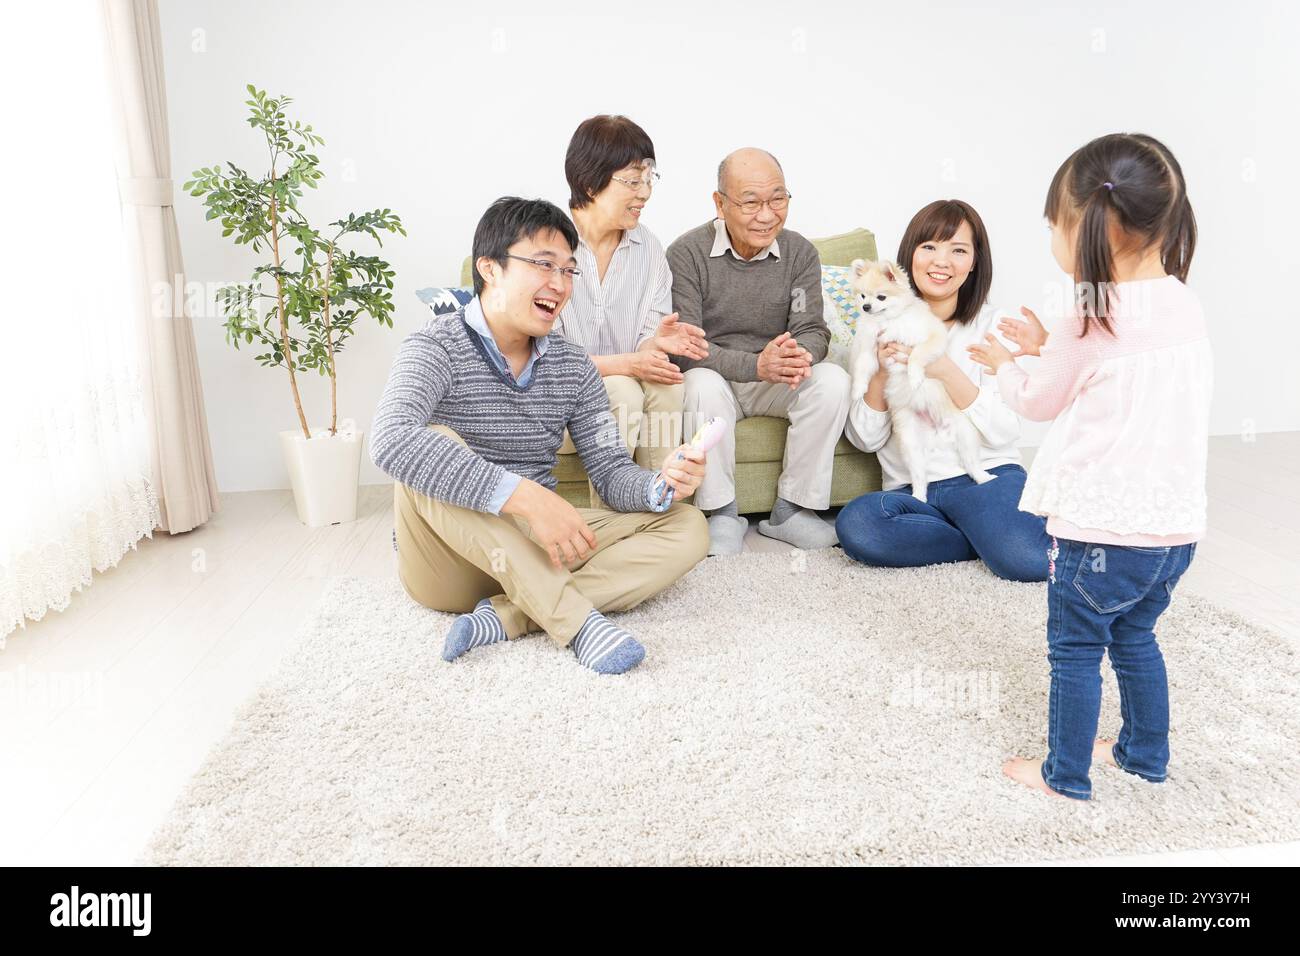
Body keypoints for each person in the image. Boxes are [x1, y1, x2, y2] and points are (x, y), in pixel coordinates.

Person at [370, 197, 710, 675]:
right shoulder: (434, 345)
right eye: (543, 265)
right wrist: (525, 497)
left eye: (570, 271)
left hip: (537, 546)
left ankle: (510, 616)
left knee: (687, 527)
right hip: (448, 565)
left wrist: (662, 485)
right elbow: (389, 439)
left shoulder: (572, 366)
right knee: (431, 443)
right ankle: (578, 623)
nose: (560, 284)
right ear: (490, 269)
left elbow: (611, 474)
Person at [968, 133, 1211, 798]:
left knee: (1075, 651)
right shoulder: (1183, 302)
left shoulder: (1087, 313)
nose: (1052, 237)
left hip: (1099, 533)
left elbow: (1038, 402)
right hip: (1172, 534)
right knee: (1136, 637)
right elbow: (1122, 372)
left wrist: (1008, 364)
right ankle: (1143, 754)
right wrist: (1050, 345)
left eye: (1055, 225)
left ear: (1089, 226)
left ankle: (1064, 776)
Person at [836, 199, 1050, 582]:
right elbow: (864, 438)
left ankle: (991, 533)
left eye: (958, 250)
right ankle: (981, 537)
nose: (941, 261)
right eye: (929, 247)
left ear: (973, 263)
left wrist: (946, 370)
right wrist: (883, 374)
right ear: (909, 258)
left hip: (984, 477)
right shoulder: (875, 328)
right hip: (912, 490)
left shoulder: (994, 326)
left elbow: (1005, 430)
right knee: (859, 525)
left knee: (1029, 559)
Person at [668, 147, 850, 556]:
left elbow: (810, 327)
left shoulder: (800, 253)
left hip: (774, 380)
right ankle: (722, 515)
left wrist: (799, 354)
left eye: (778, 199)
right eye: (751, 202)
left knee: (833, 381)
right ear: (720, 203)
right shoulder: (688, 254)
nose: (767, 215)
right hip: (719, 378)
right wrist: (756, 364)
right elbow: (687, 348)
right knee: (698, 383)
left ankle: (792, 511)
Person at [558, 115, 708, 498]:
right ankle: (610, 522)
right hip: (557, 395)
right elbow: (544, 359)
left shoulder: (650, 249)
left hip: (626, 383)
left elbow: (646, 337)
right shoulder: (548, 243)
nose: (644, 193)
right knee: (623, 390)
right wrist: (626, 365)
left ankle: (656, 504)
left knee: (668, 384)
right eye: (631, 180)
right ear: (590, 183)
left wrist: (655, 344)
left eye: (648, 179)